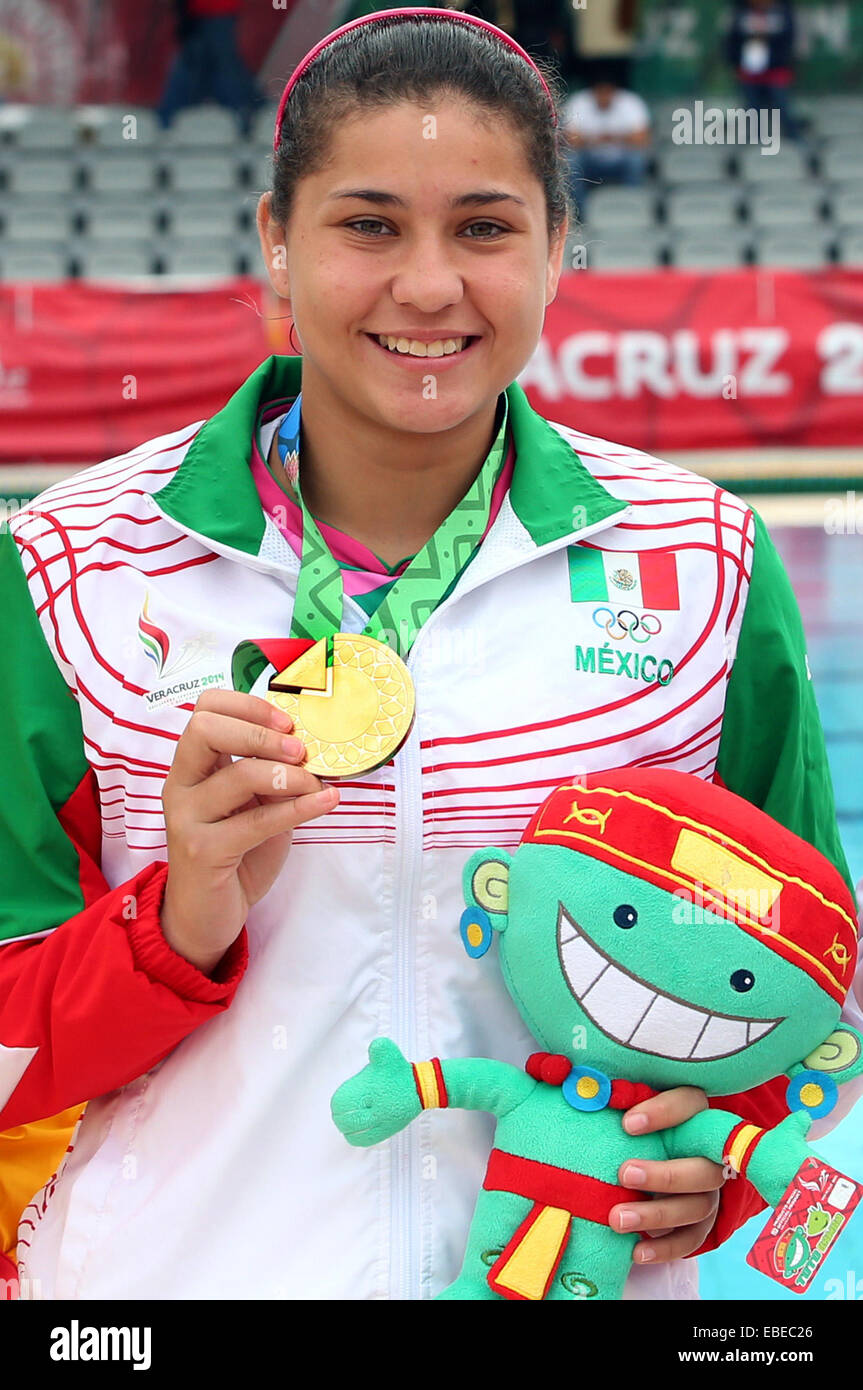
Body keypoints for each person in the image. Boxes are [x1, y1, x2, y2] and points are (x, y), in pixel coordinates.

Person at [0, 7, 859, 1302]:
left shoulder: (704, 565)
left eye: (483, 227)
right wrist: (175, 921)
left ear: (557, 249)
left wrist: (711, 1174)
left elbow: (804, 981)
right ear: (274, 240)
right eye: (366, 224)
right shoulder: (71, 565)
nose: (425, 285)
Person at [157, 0, 265, 132]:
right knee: (215, 64)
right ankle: (248, 107)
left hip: (209, 11)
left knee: (204, 64)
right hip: (207, 11)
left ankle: (166, 116)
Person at [561, 71, 651, 216]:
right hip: (590, 160)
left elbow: (642, 139)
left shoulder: (630, 102)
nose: (604, 96)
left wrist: (609, 138)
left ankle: (631, 210)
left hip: (621, 159)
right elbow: (570, 140)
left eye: (607, 92)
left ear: (614, 91)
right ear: (593, 91)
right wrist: (599, 139)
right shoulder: (579, 102)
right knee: (572, 161)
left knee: (636, 160)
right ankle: (581, 214)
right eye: (600, 92)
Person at [725, 0, 800, 142]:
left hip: (777, 70)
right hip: (749, 72)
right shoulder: (740, 13)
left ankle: (792, 137)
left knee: (781, 105)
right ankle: (756, 138)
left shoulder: (783, 12)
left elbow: (789, 41)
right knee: (752, 108)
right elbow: (732, 41)